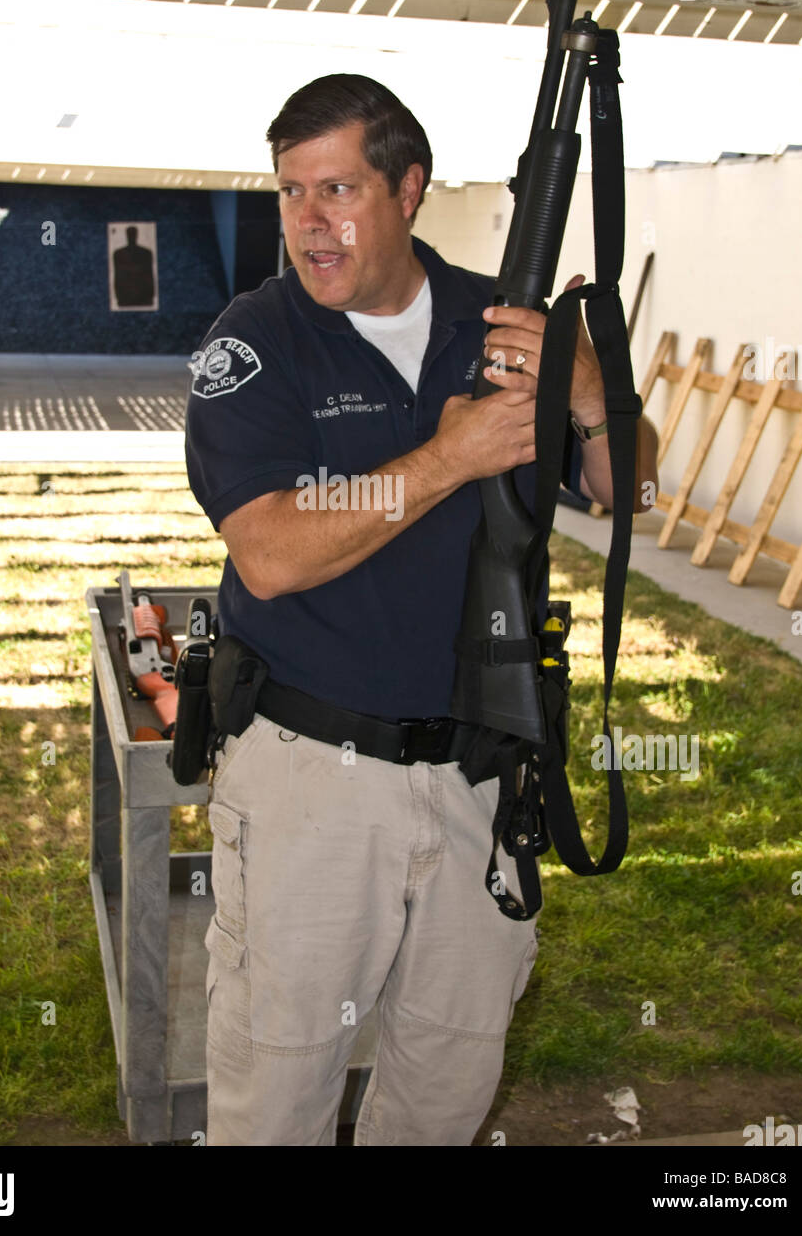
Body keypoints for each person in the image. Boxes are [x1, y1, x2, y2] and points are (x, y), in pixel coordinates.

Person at [184, 73, 659, 1147]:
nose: (309, 221)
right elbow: (267, 553)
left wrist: (588, 392)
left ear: (408, 189)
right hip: (312, 776)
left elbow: (626, 490)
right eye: (290, 192)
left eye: (338, 188)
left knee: (444, 1084)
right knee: (276, 1090)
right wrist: (447, 457)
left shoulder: (508, 323)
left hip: (481, 774)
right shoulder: (252, 342)